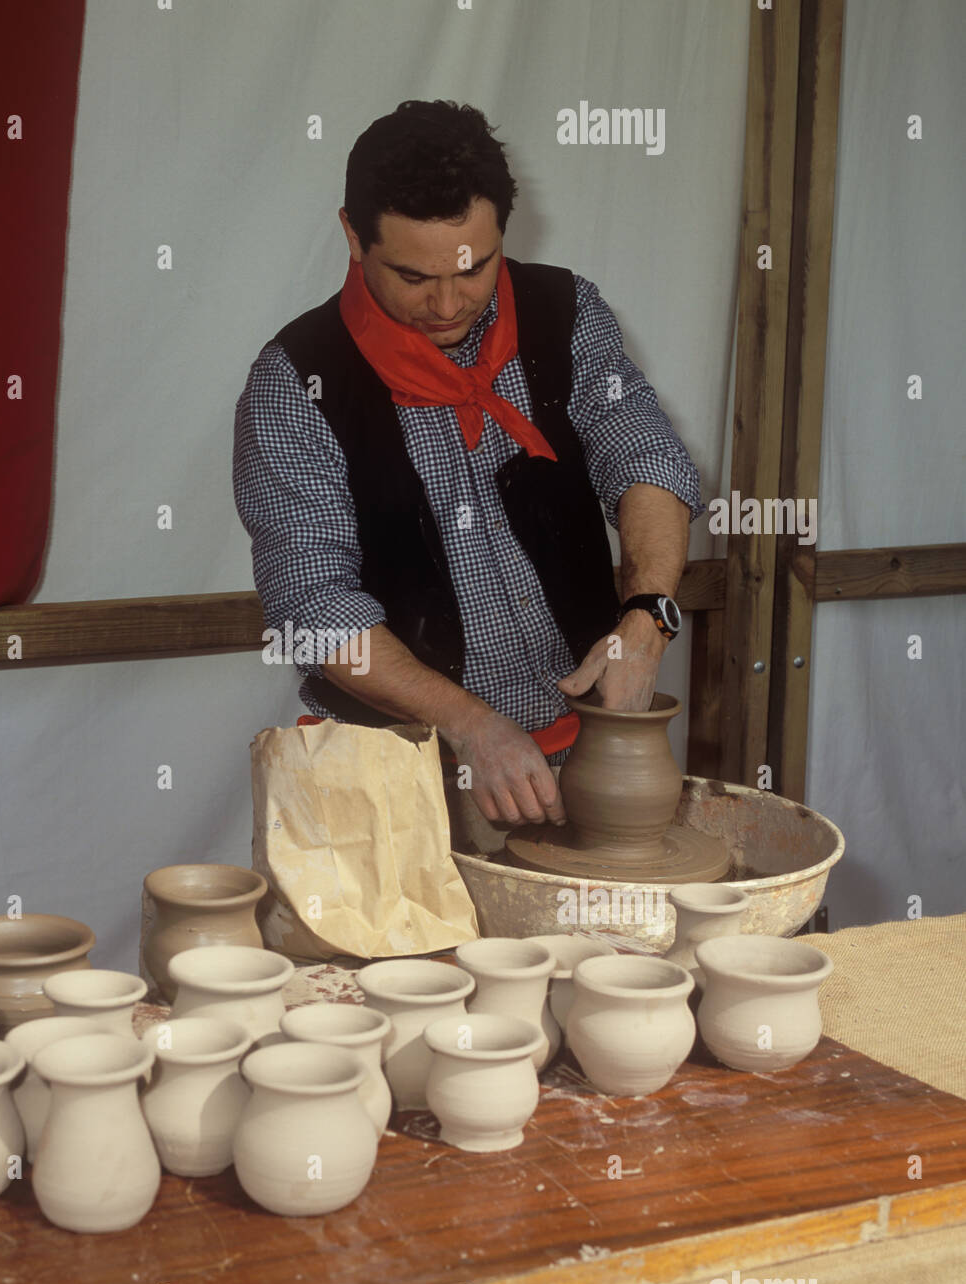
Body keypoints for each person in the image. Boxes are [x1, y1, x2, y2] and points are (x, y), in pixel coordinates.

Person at [233, 100, 703, 833]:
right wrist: (472, 726)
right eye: (414, 276)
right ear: (354, 236)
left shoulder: (566, 314)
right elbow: (315, 609)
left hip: (574, 751)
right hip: (390, 771)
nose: (448, 303)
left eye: (473, 267)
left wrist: (648, 616)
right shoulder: (298, 382)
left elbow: (645, 456)